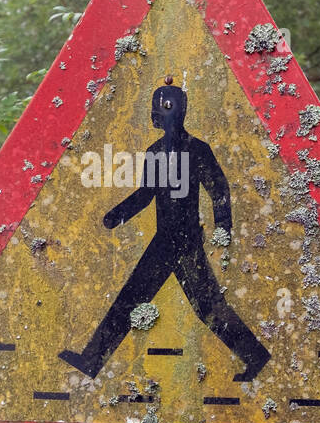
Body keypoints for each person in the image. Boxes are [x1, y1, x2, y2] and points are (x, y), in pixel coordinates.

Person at [59, 76, 271, 382]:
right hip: (165, 239)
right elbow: (146, 194)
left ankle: (256, 358)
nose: (154, 114)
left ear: (173, 110)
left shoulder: (197, 149)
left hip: (186, 241)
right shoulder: (154, 152)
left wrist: (223, 226)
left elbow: (219, 188)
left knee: (207, 307)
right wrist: (117, 215)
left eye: (159, 108)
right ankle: (92, 360)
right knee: (135, 299)